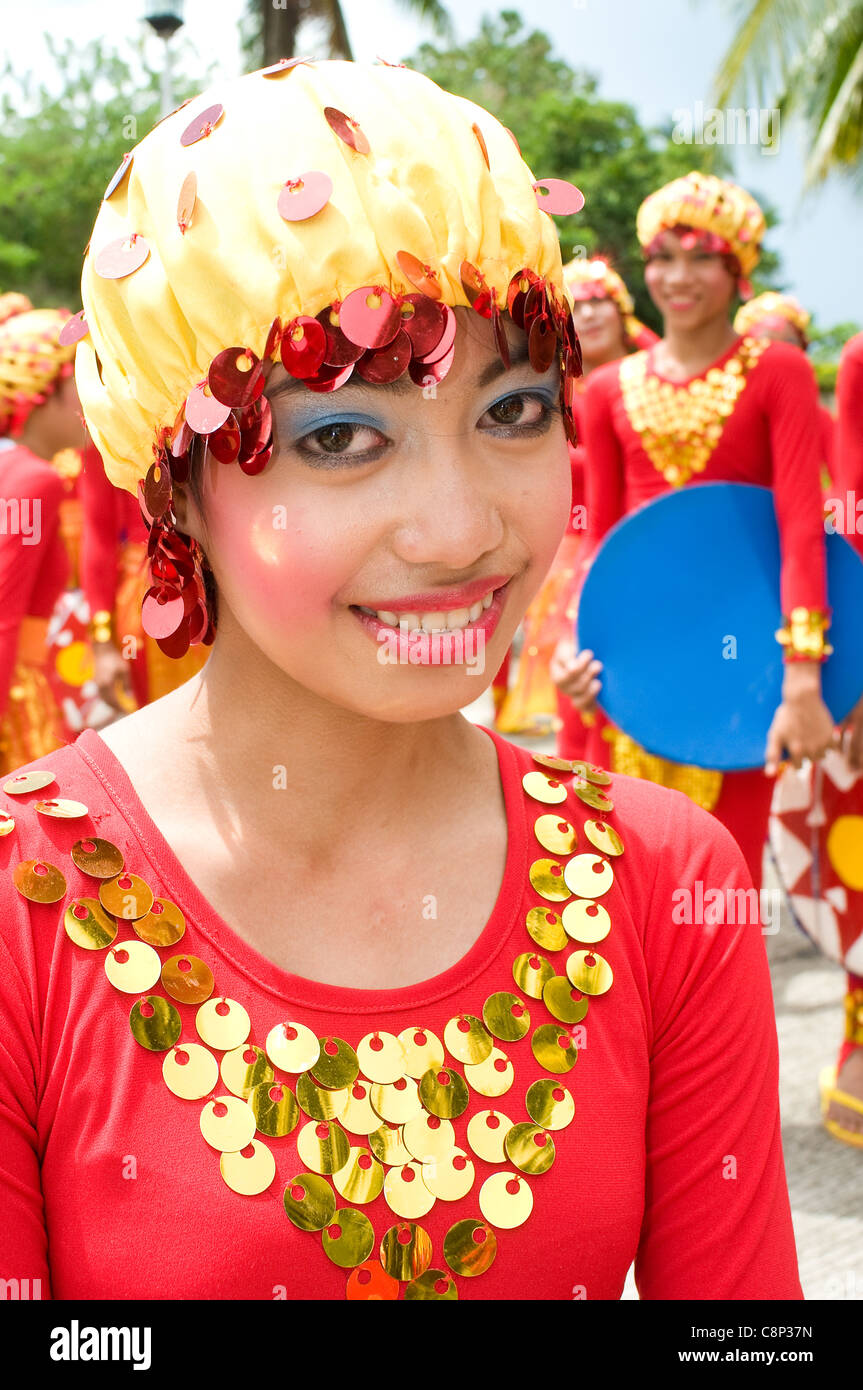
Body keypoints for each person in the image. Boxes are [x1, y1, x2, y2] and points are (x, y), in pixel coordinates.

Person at [0, 64, 802, 1301]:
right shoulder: (25, 901)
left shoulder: (662, 882)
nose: (457, 528)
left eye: (515, 409)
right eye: (338, 435)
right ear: (177, 488)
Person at [553, 171, 835, 893]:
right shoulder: (610, 390)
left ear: (736, 272)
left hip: (748, 664)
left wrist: (802, 678)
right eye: (661, 258)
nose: (676, 277)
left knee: (722, 886)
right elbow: (599, 538)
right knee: (618, 882)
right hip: (632, 656)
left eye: (700, 257)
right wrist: (570, 643)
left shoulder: (779, 372)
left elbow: (801, 526)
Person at [0, 296, 86, 773]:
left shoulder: (11, 466)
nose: (91, 398)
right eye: (79, 382)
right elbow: (5, 613)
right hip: (16, 699)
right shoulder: (37, 480)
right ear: (43, 390)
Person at [80, 442, 210, 719]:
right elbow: (99, 538)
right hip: (151, 601)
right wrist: (103, 644)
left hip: (218, 585)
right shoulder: (110, 427)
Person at [734, 291, 834, 491]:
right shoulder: (717, 410)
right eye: (765, 343)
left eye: (788, 343)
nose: (778, 354)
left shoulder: (819, 418)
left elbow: (846, 484)